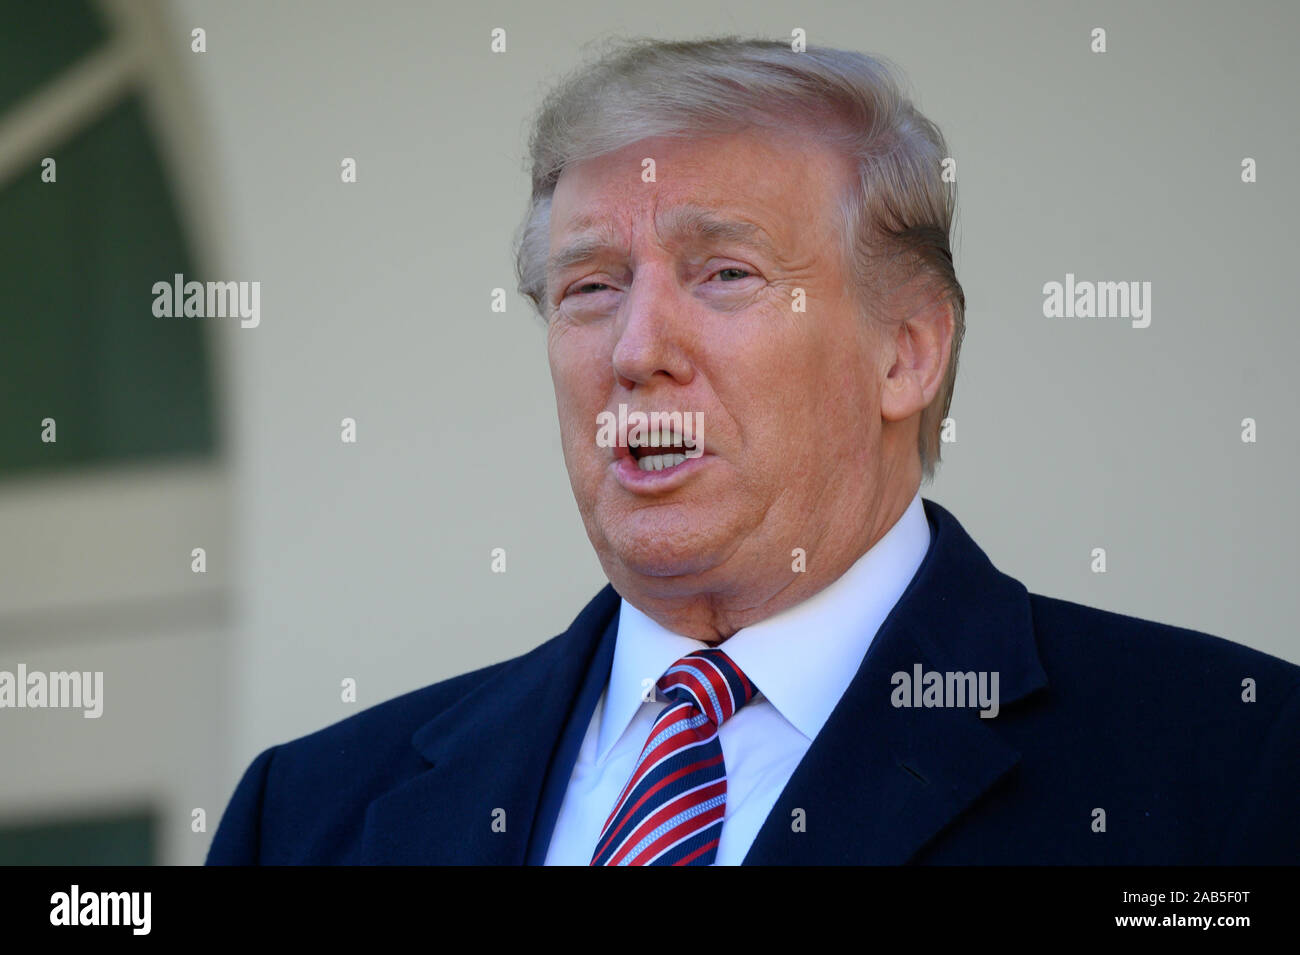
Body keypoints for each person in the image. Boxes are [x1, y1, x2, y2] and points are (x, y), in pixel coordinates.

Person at [208, 37, 1300, 865]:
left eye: (723, 274)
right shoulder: (309, 817)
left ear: (906, 353)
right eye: (590, 288)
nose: (636, 350)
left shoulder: (1232, 767)